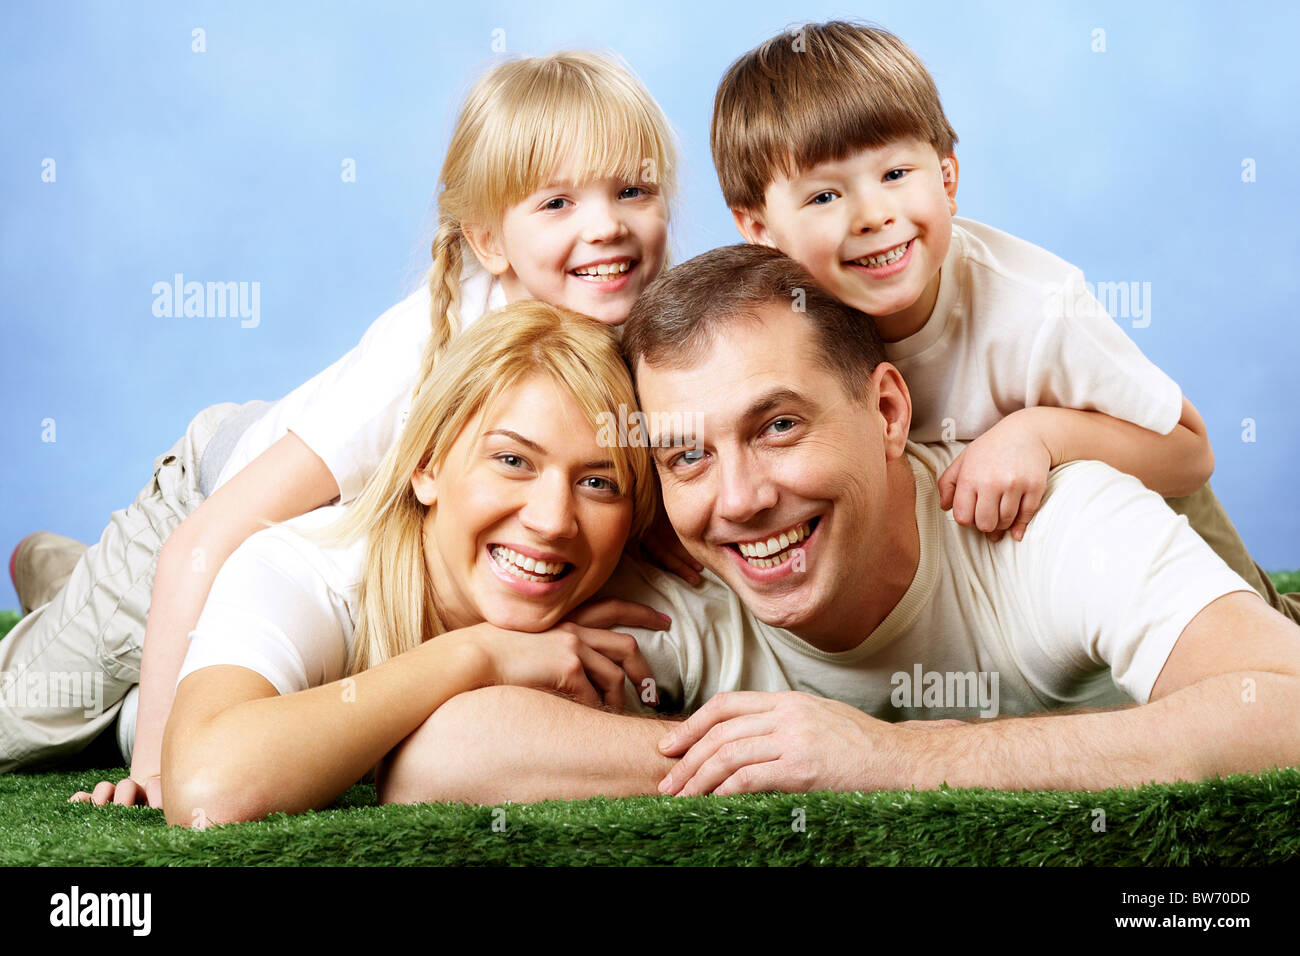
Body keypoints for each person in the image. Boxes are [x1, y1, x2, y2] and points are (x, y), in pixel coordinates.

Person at [374, 245, 1300, 804]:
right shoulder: (690, 583)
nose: (738, 500)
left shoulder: (1051, 520)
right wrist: (760, 760)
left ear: (889, 412)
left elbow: (1282, 710)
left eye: (779, 426)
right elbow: (440, 762)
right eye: (686, 454)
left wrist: (893, 760)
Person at [1, 50, 677, 805]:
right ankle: (83, 586)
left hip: (302, 556)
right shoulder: (420, 349)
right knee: (27, 720)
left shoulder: (647, 328)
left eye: (632, 189)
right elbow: (202, 546)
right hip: (204, 513)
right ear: (488, 239)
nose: (607, 226)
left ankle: (64, 574)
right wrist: (158, 772)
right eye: (558, 203)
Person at [707, 20, 1299, 618]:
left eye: (894, 174)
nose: (872, 215)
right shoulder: (784, 327)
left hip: (1186, 573)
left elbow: (1190, 453)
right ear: (759, 230)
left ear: (947, 177)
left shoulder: (1034, 307)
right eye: (824, 197)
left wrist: (1038, 434)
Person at [157, 301, 662, 826]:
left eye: (599, 483)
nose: (554, 521)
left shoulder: (638, 596)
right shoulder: (307, 569)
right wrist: (477, 653)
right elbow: (205, 791)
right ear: (426, 466)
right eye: (512, 461)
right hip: (189, 502)